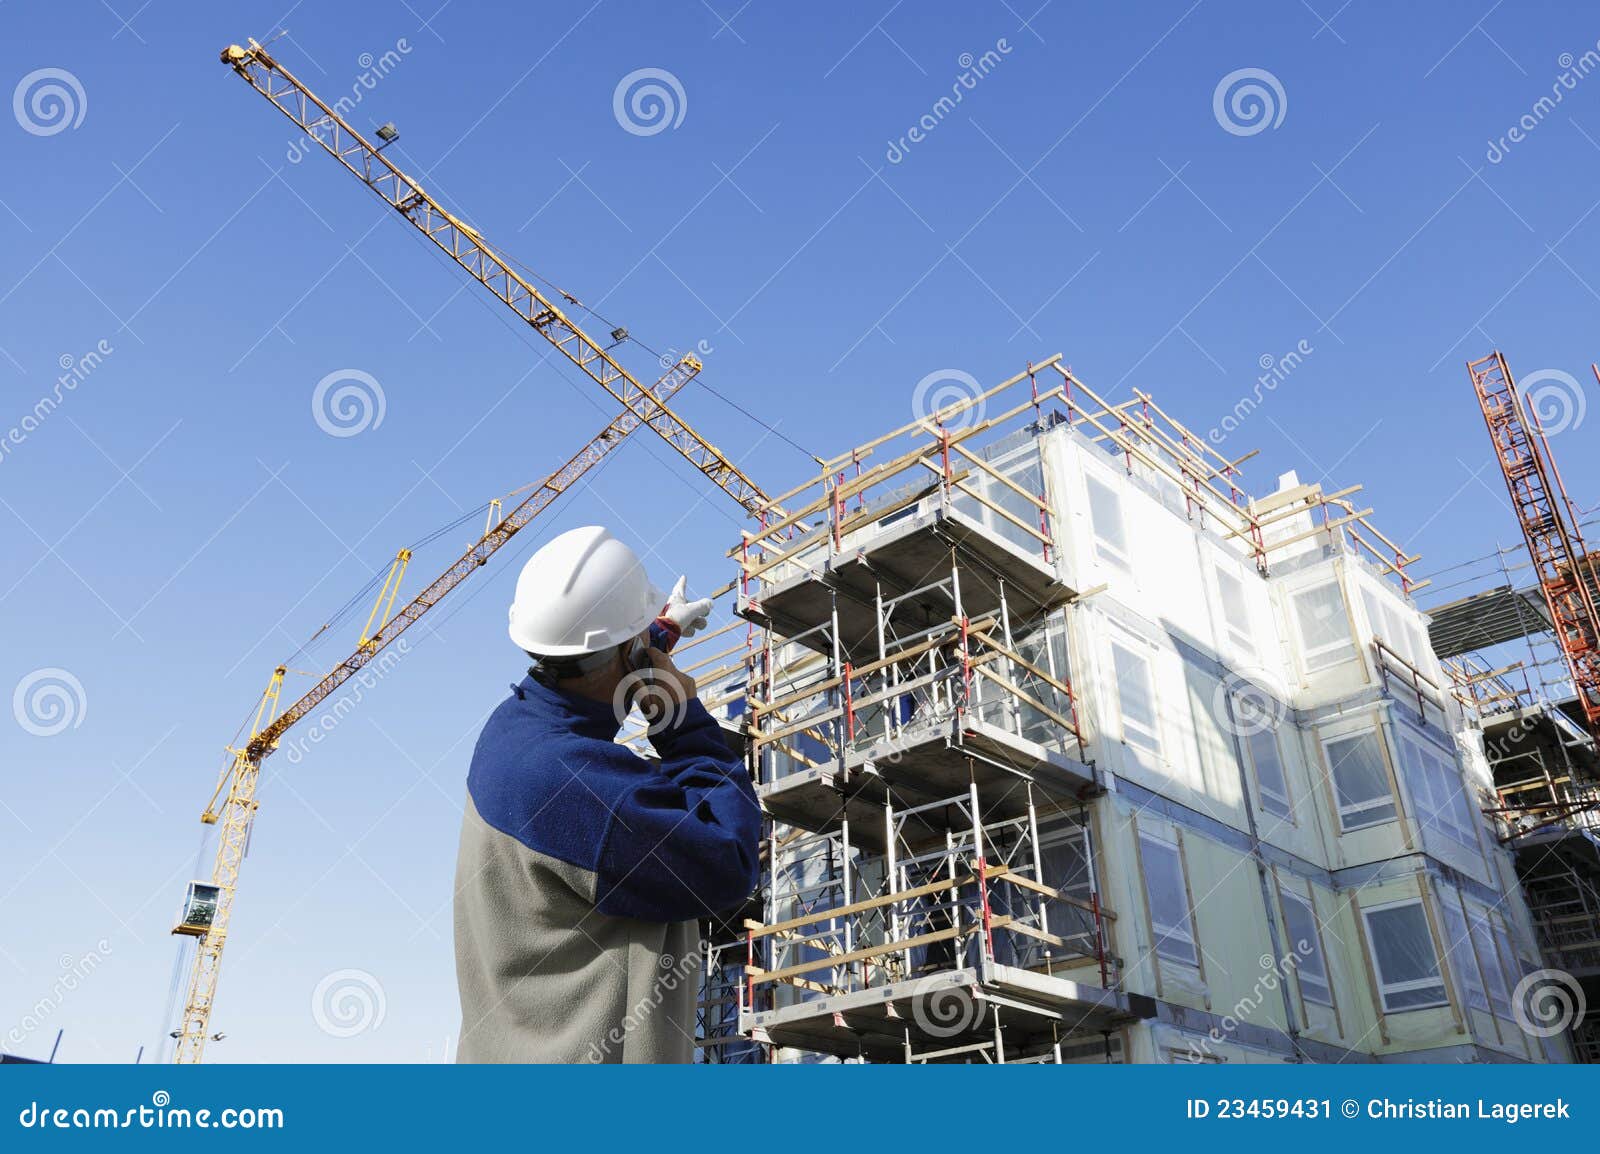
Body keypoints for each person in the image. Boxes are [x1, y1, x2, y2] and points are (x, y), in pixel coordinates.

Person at [453, 525, 760, 1063]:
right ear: (621, 651)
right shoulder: (583, 787)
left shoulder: (513, 731)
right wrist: (680, 717)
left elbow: (588, 687)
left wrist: (655, 635)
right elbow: (729, 858)